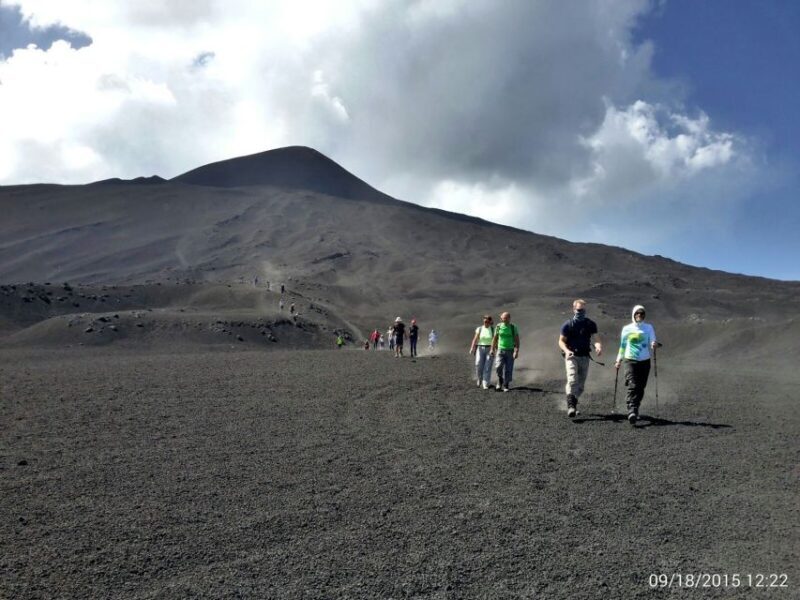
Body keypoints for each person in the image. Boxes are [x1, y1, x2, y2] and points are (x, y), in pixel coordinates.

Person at [558, 299, 603, 418]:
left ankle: (573, 403)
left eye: (582, 310)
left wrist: (598, 347)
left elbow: (596, 339)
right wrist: (567, 351)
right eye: (578, 310)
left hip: (585, 357)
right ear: (573, 309)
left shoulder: (590, 324)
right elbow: (561, 341)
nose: (580, 312)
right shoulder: (568, 324)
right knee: (572, 380)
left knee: (581, 385)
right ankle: (571, 406)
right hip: (572, 356)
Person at [615, 305, 658, 424]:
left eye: (642, 313)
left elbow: (652, 340)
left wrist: (654, 344)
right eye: (637, 313)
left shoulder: (648, 327)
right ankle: (631, 409)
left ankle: (635, 407)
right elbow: (622, 346)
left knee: (640, 387)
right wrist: (618, 360)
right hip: (630, 360)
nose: (639, 315)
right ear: (633, 315)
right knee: (632, 384)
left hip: (645, 361)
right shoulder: (627, 329)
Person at [491, 312, 519, 392]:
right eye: (503, 318)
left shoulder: (513, 327)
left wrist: (516, 351)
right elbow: (495, 338)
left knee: (508, 368)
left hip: (510, 350)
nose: (504, 319)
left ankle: (506, 384)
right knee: (498, 366)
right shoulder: (498, 326)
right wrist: (492, 349)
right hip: (500, 350)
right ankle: (500, 379)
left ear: (509, 318)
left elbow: (517, 340)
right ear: (501, 318)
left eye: (506, 318)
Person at [469, 315, 495, 389]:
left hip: (489, 348)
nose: (485, 322)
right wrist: (472, 348)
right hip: (480, 348)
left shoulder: (493, 329)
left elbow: (494, 339)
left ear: (490, 321)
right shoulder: (479, 329)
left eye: (487, 321)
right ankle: (479, 378)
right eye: (484, 321)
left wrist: (493, 349)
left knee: (487, 366)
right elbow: (475, 338)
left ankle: (485, 383)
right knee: (478, 364)